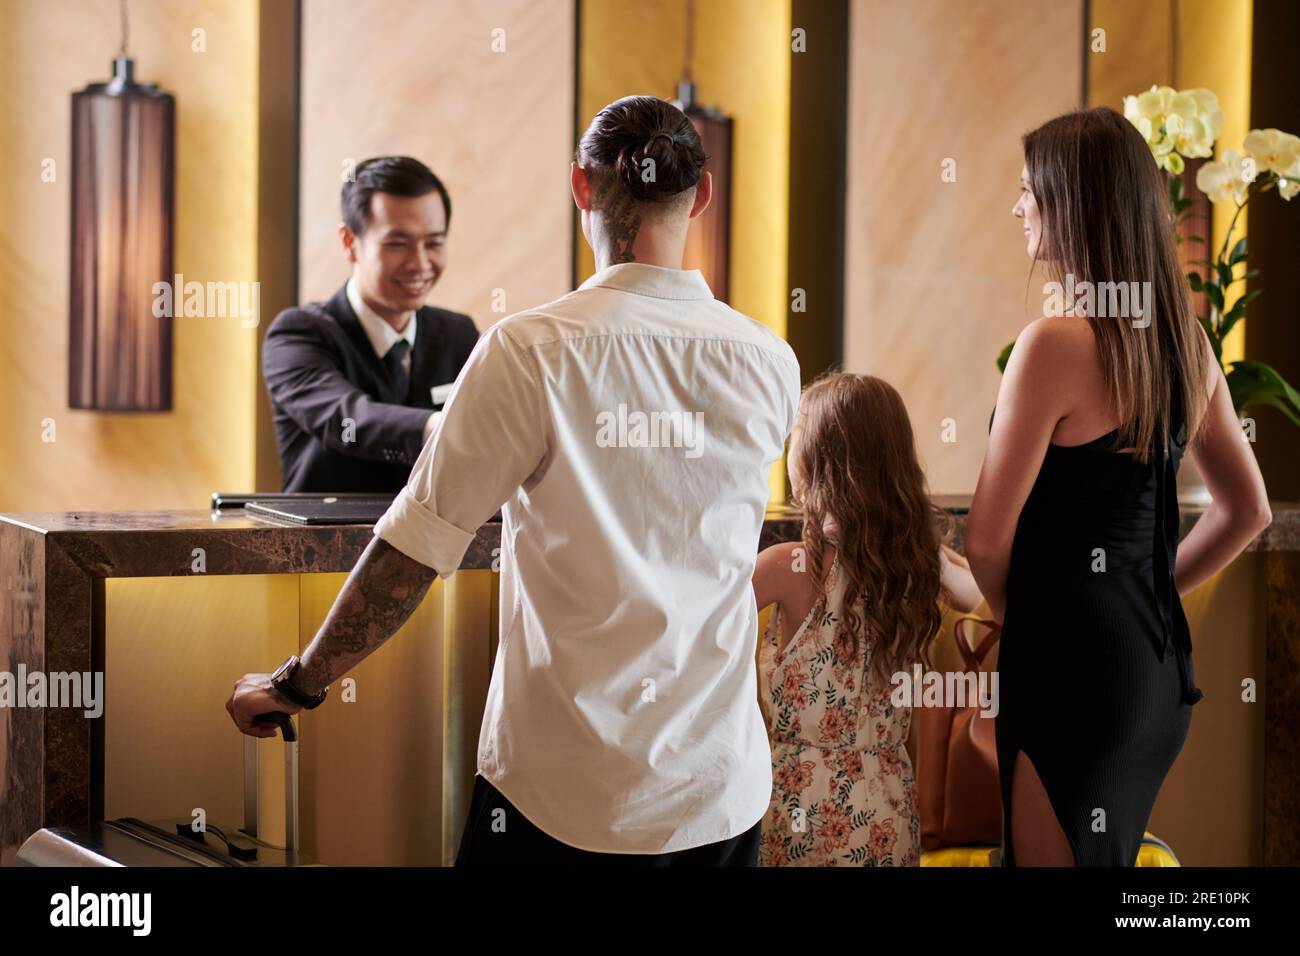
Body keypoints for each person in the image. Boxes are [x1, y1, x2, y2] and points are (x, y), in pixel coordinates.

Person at [227, 95, 801, 866]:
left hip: (560, 791)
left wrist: (298, 683)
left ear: (581, 189)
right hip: (717, 793)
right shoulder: (769, 361)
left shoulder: (528, 352)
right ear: (699, 196)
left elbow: (415, 546)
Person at [965, 107, 1271, 867]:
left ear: (1073, 205)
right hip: (1152, 671)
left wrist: (1021, 616)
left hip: (1067, 669)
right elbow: (1248, 510)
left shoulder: (1051, 346)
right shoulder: (1186, 344)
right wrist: (1153, 590)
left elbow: (984, 539)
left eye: (1029, 192)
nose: (1016, 208)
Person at [752, 373, 982, 866]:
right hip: (886, 812)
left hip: (797, 812)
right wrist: (926, 545)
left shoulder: (789, 566)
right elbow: (984, 599)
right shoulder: (913, 570)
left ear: (815, 460)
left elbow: (696, 624)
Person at [262, 156, 479, 493]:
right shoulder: (298, 334)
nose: (420, 263)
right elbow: (346, 417)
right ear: (350, 243)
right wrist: (441, 427)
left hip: (434, 542)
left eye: (434, 243)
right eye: (397, 244)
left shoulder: (458, 334)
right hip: (325, 541)